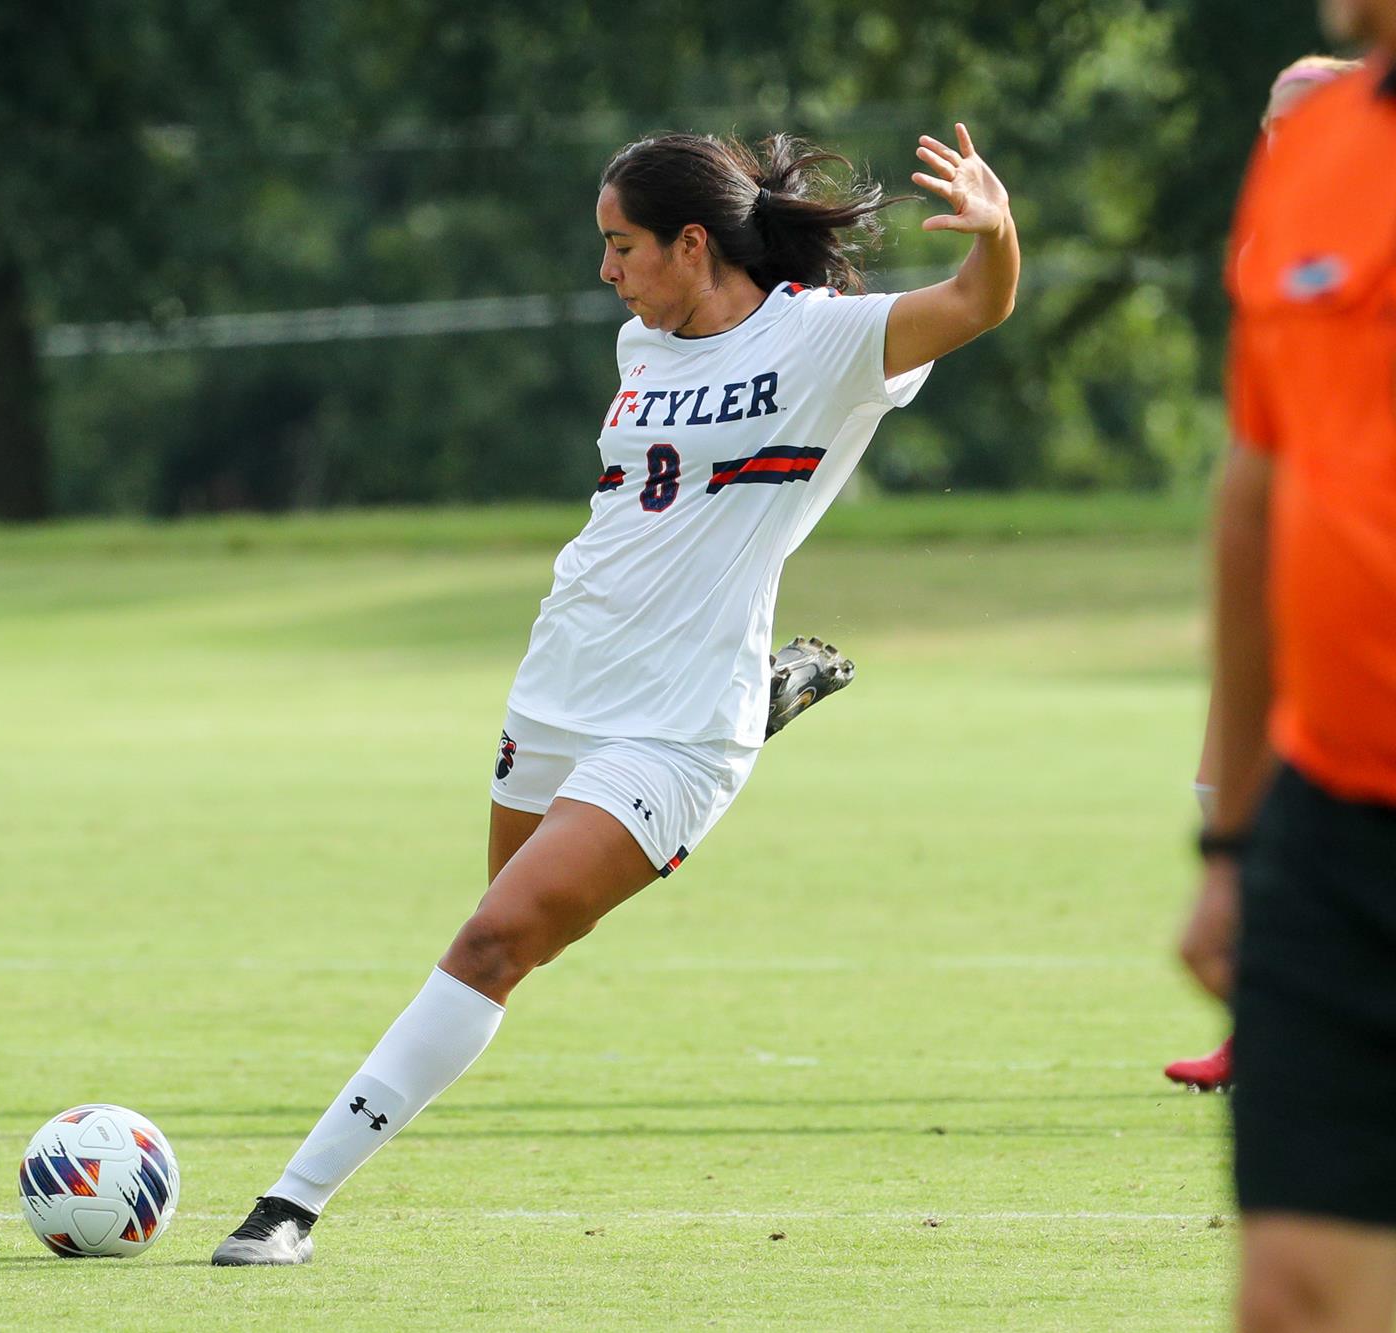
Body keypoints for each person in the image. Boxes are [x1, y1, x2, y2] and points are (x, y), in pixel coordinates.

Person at [212, 122, 1020, 1266]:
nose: (605, 271)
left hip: (677, 724)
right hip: (558, 682)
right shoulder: (638, 350)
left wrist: (997, 235)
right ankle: (768, 693)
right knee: (508, 933)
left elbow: (974, 304)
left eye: (620, 245)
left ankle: (287, 1205)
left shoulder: (825, 342)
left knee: (490, 942)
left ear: (692, 243)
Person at [1176, 6, 1396, 1327]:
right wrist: (1237, 847)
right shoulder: (1309, 151)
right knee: (1297, 1293)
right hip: (1333, 816)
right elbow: (1259, 495)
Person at [1163, 49, 1364, 1095]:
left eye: (1298, 117)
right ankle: (1262, 1025)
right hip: (1294, 550)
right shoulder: (1268, 240)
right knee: (1223, 770)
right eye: (1269, 122)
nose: (1278, 140)